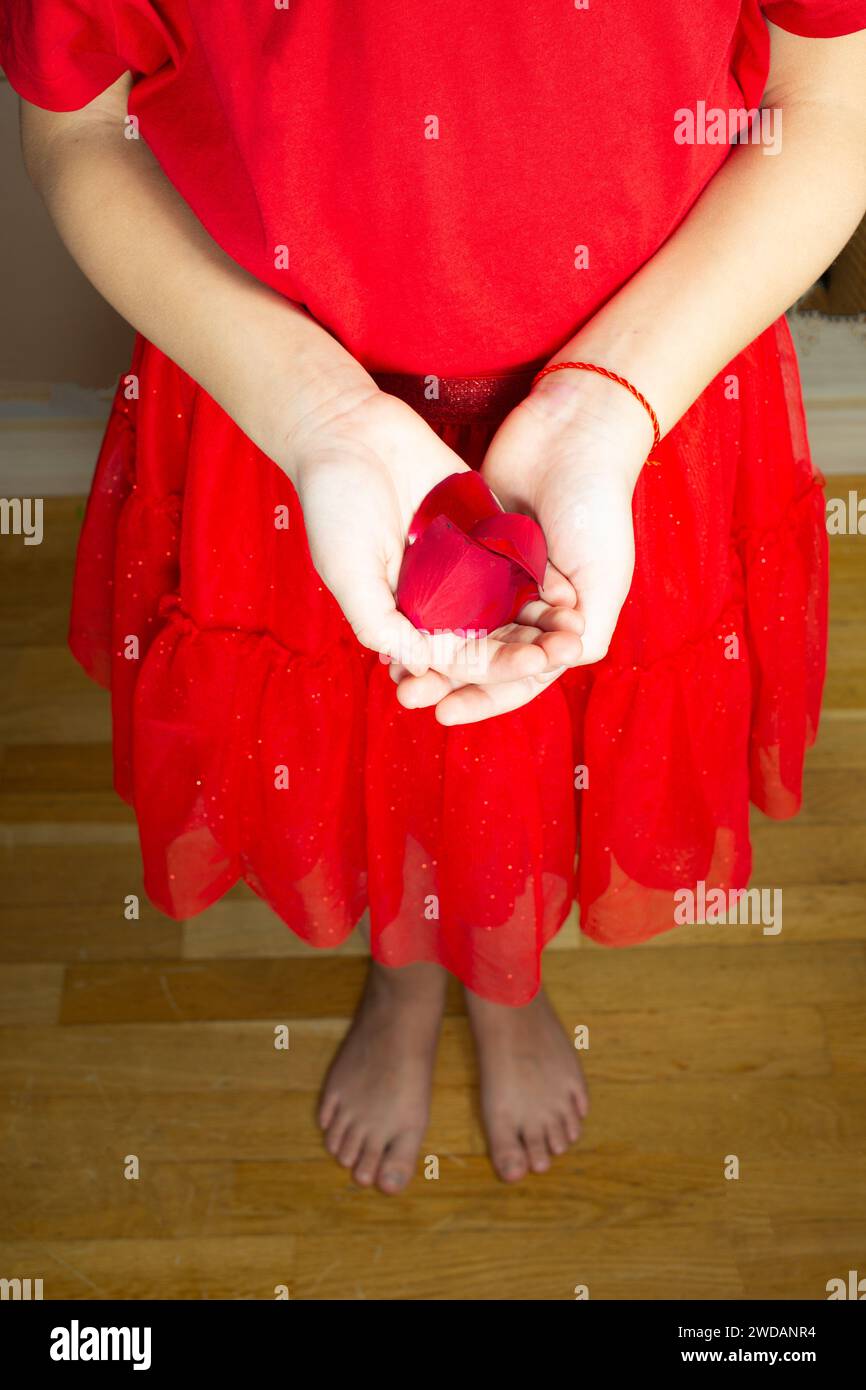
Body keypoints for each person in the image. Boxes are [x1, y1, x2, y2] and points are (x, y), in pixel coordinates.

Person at [4, 0, 866, 1193]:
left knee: (536, 748)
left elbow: (823, 107)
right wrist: (316, 416)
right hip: (278, 413)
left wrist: (607, 406)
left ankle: (507, 981)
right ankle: (403, 973)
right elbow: (79, 132)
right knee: (368, 739)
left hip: (642, 390)